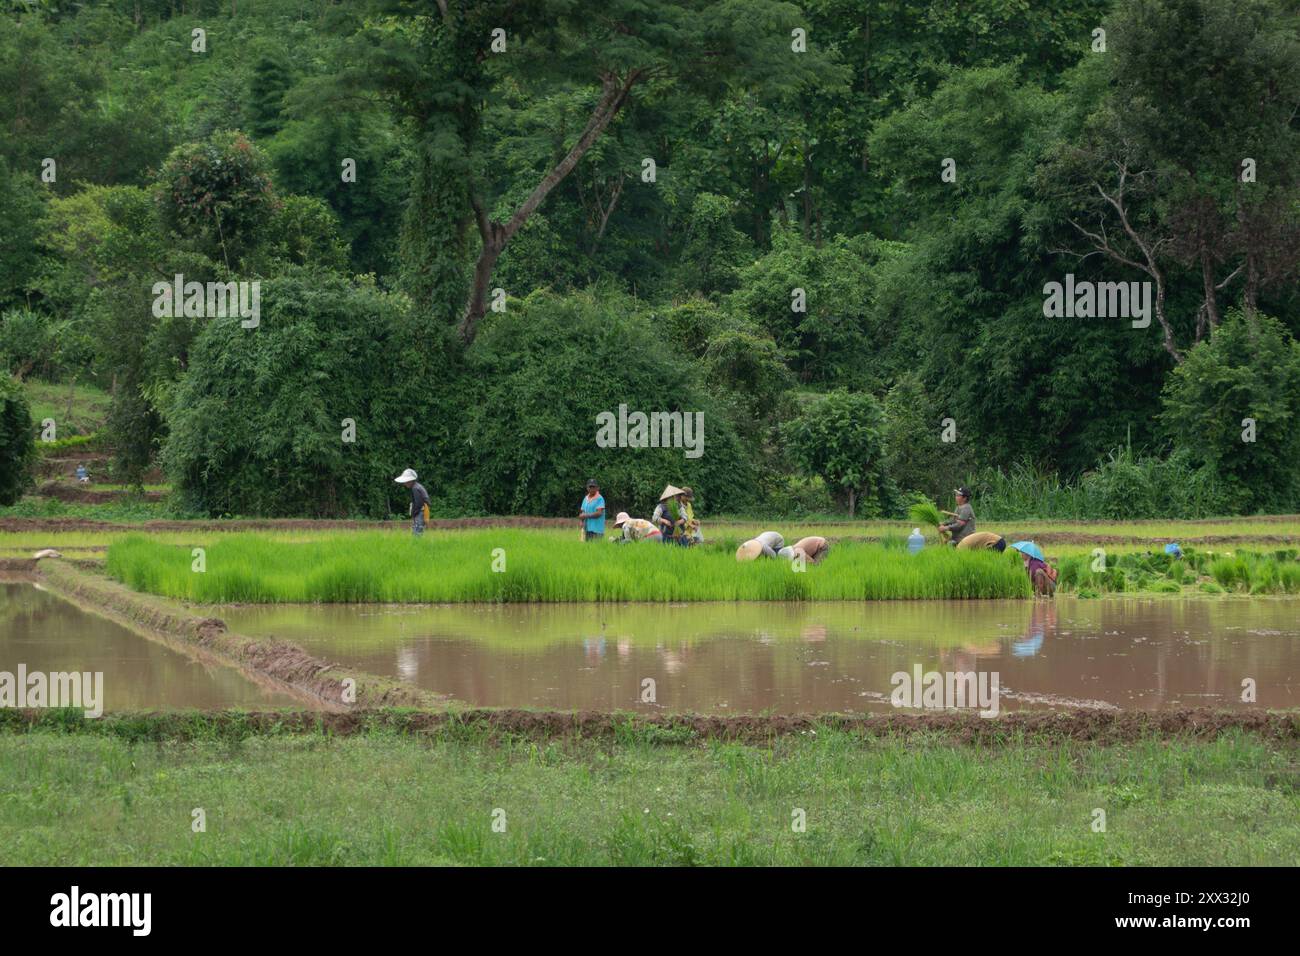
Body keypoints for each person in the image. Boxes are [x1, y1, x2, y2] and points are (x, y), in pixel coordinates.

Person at [394, 468, 430, 536]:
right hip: (421, 511)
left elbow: (418, 504)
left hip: (420, 512)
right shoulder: (417, 486)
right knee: (417, 530)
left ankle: (417, 545)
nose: (404, 483)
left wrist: (414, 514)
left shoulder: (415, 488)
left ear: (411, 481)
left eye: (406, 481)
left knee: (417, 533)